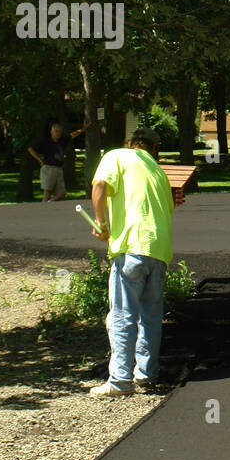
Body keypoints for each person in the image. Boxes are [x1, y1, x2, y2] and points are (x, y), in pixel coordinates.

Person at [87, 127, 174, 397]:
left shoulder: (118, 156)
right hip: (159, 250)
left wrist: (101, 223)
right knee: (150, 317)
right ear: (154, 148)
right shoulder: (159, 172)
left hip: (132, 245)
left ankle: (120, 381)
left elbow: (100, 185)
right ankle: (145, 376)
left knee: (122, 315)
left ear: (131, 143)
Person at [28, 121, 87, 202]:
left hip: (59, 169)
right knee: (47, 193)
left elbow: (72, 135)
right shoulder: (45, 141)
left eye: (60, 131)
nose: (58, 133)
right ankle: (43, 209)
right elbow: (31, 149)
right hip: (49, 168)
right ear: (51, 132)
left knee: (62, 193)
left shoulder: (62, 141)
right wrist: (40, 160)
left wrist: (82, 130)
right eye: (56, 131)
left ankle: (49, 203)